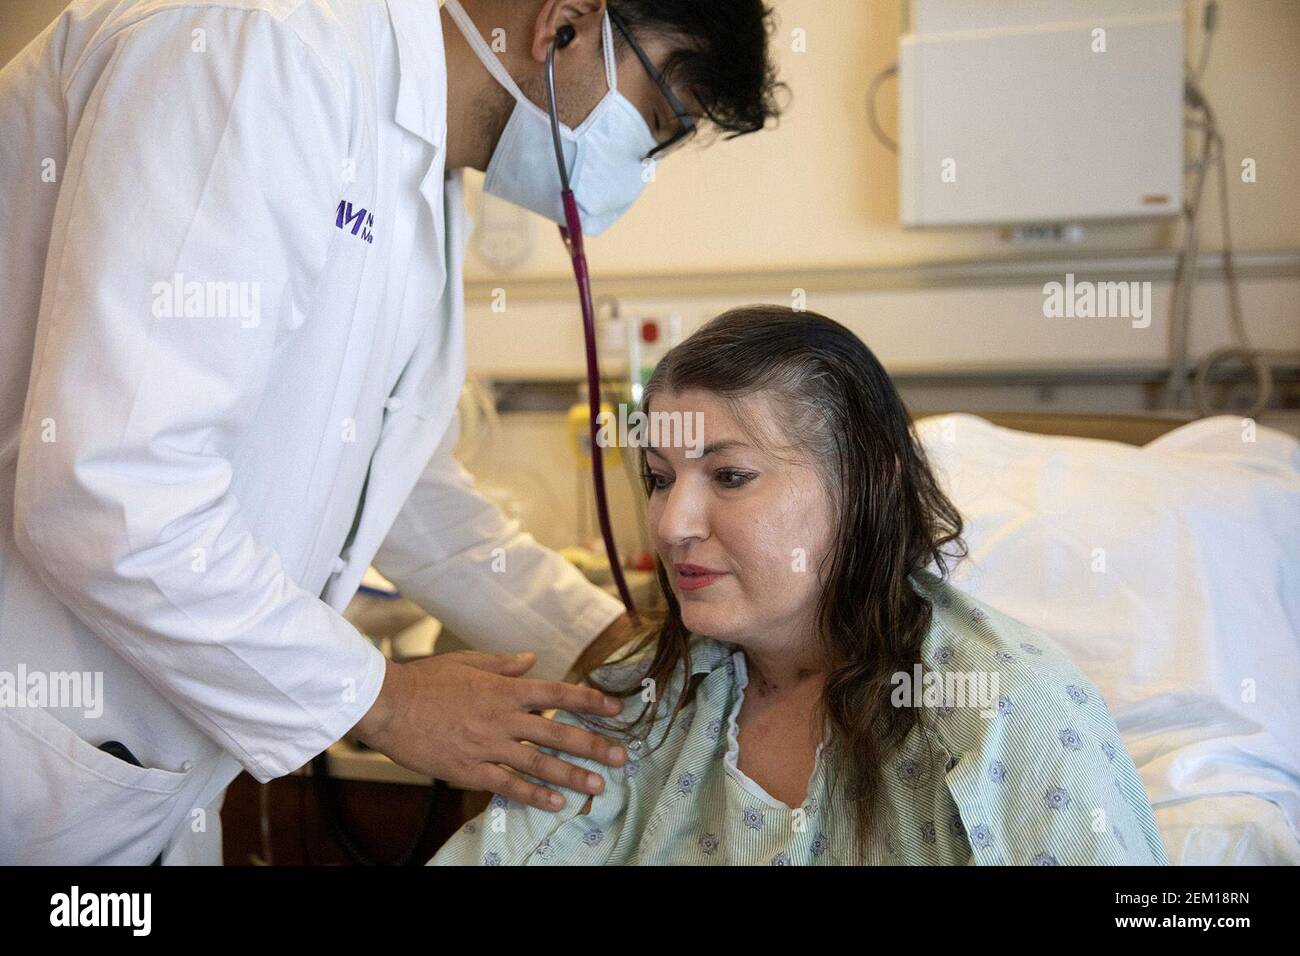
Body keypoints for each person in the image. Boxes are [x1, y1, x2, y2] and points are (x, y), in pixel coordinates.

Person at [0, 0, 782, 863]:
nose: (642, 164)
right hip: (35, 763)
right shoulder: (265, 46)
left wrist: (614, 650)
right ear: (565, 21)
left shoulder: (417, 159)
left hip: (139, 788)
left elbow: (400, 486)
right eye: (659, 117)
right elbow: (107, 491)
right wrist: (385, 702)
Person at [431, 306, 1170, 865]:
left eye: (730, 476)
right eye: (659, 479)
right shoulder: (647, 704)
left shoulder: (1006, 717)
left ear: (860, 484)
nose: (672, 524)